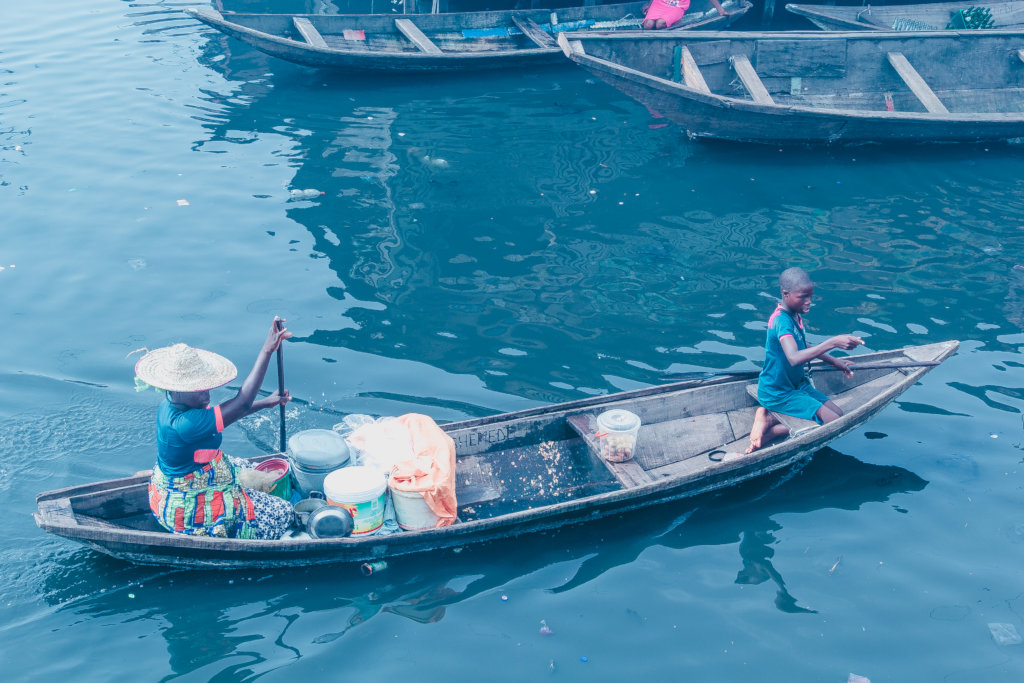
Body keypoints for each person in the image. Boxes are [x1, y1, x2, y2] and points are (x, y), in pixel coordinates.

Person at [134, 317, 296, 539]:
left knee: (247, 466)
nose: (206, 394)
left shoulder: (173, 404)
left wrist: (266, 402)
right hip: (187, 502)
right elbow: (242, 403)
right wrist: (267, 350)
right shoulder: (186, 425)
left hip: (192, 473)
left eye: (204, 386)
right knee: (284, 513)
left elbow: (235, 411)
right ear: (178, 390)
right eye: (197, 389)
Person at [746, 268, 864, 454]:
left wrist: (836, 362)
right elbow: (794, 358)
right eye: (803, 297)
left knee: (839, 415)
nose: (809, 302)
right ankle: (768, 419)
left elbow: (803, 344)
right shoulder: (781, 321)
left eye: (810, 296)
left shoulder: (794, 314)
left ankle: (774, 423)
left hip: (796, 385)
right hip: (777, 392)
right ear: (785, 294)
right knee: (833, 422)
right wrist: (833, 342)